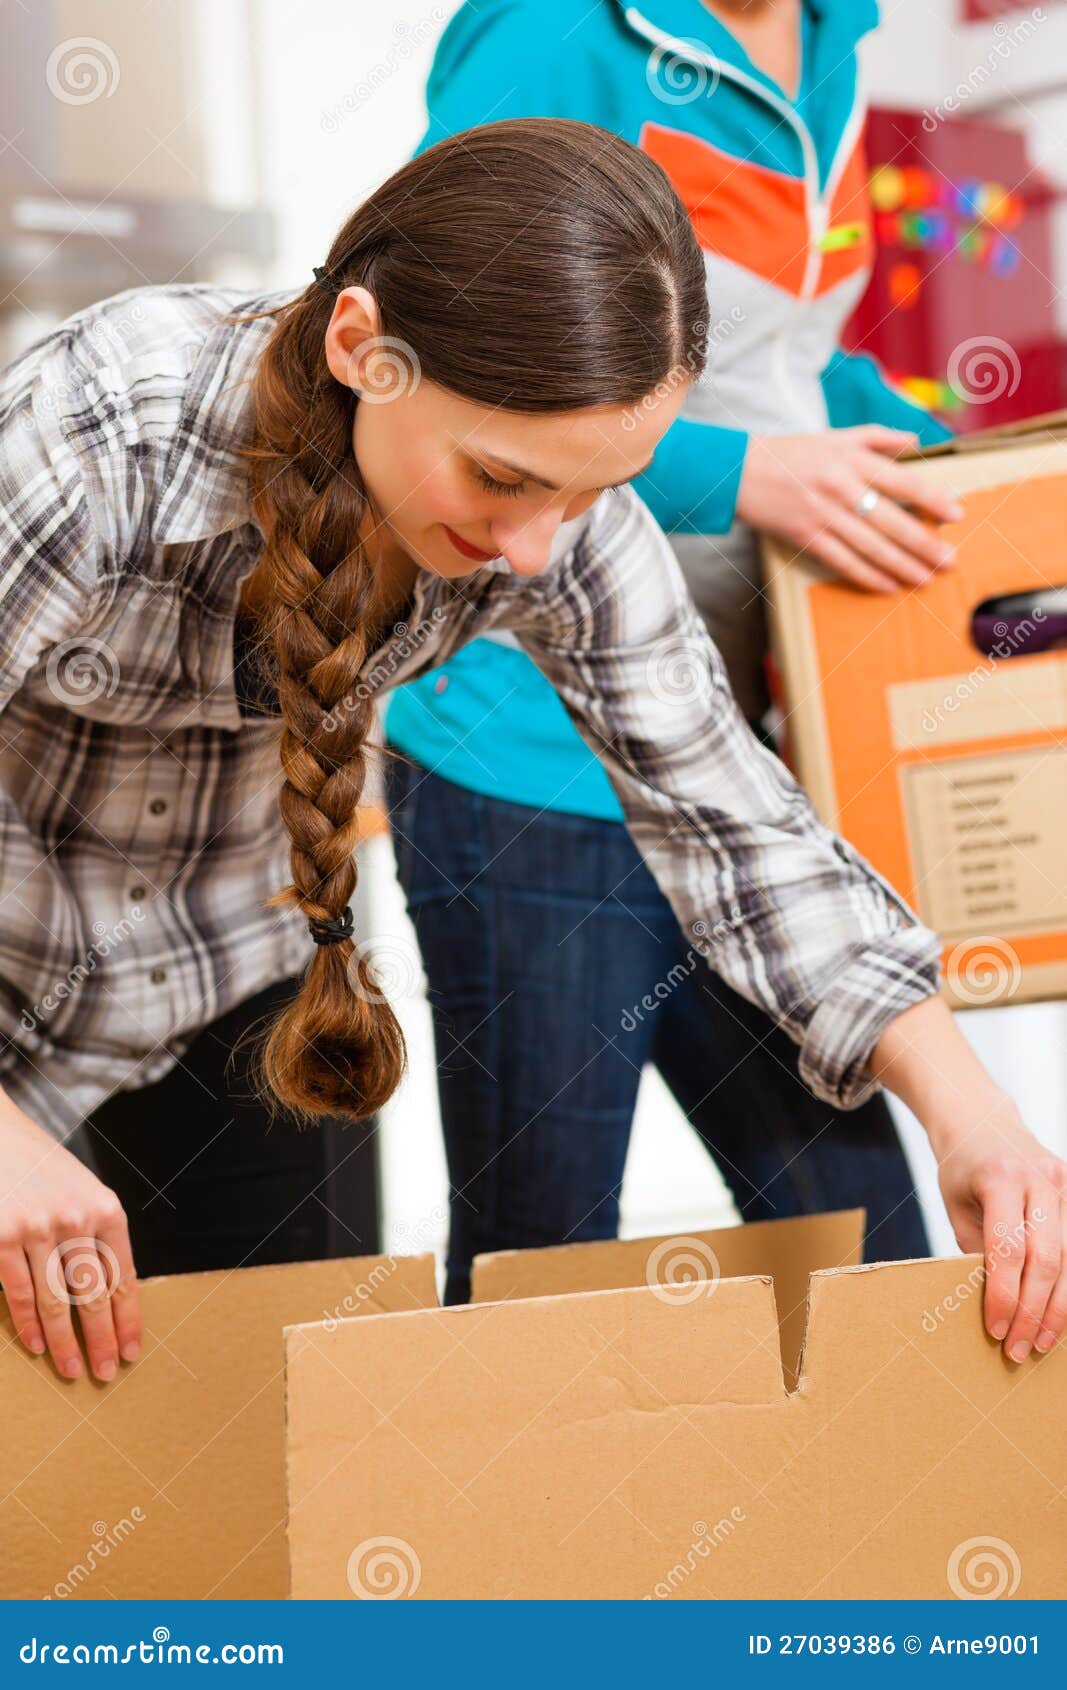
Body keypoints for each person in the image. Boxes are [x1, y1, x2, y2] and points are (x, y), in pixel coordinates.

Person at [0, 120, 1061, 1393]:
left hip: (232, 986)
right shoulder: (102, 432)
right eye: (500, 477)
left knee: (260, 1476)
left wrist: (974, 1116)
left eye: (584, 493)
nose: (537, 552)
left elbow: (739, 828)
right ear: (360, 347)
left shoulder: (562, 528)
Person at [385, 0, 962, 1295]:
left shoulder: (832, 50)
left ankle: (899, 1504)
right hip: (525, 750)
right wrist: (744, 476)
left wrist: (947, 459)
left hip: (727, 749)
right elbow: (456, 352)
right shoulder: (547, 37)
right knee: (544, 1266)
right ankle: (519, 1507)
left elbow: (782, 367)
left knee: (864, 1241)